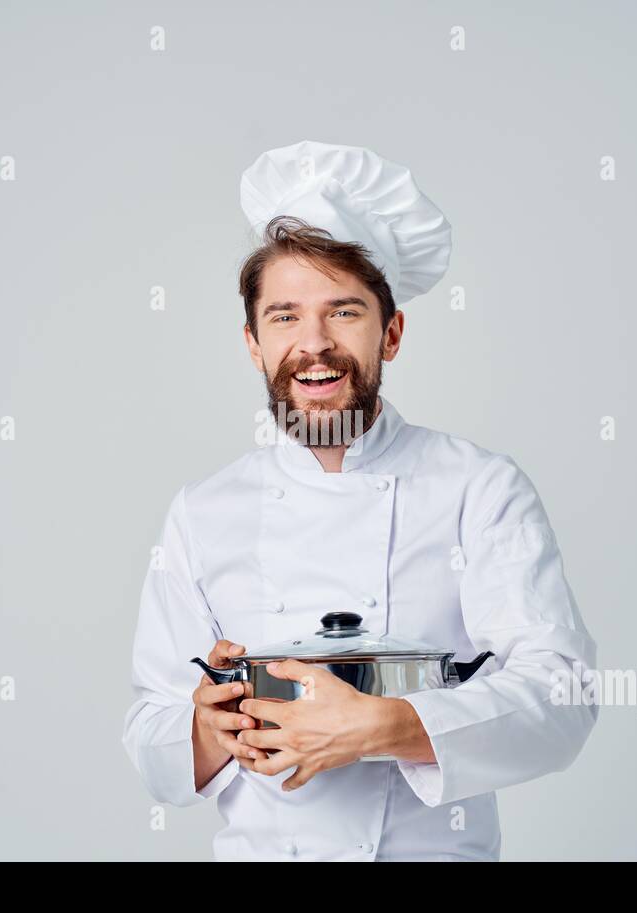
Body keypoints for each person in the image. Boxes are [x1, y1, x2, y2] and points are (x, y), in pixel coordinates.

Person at [122, 140, 598, 861]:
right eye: (284, 317)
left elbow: (562, 697)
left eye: (344, 313)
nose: (314, 344)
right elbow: (150, 728)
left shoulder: (479, 489)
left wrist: (382, 726)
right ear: (253, 344)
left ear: (392, 332)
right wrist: (204, 729)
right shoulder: (203, 511)